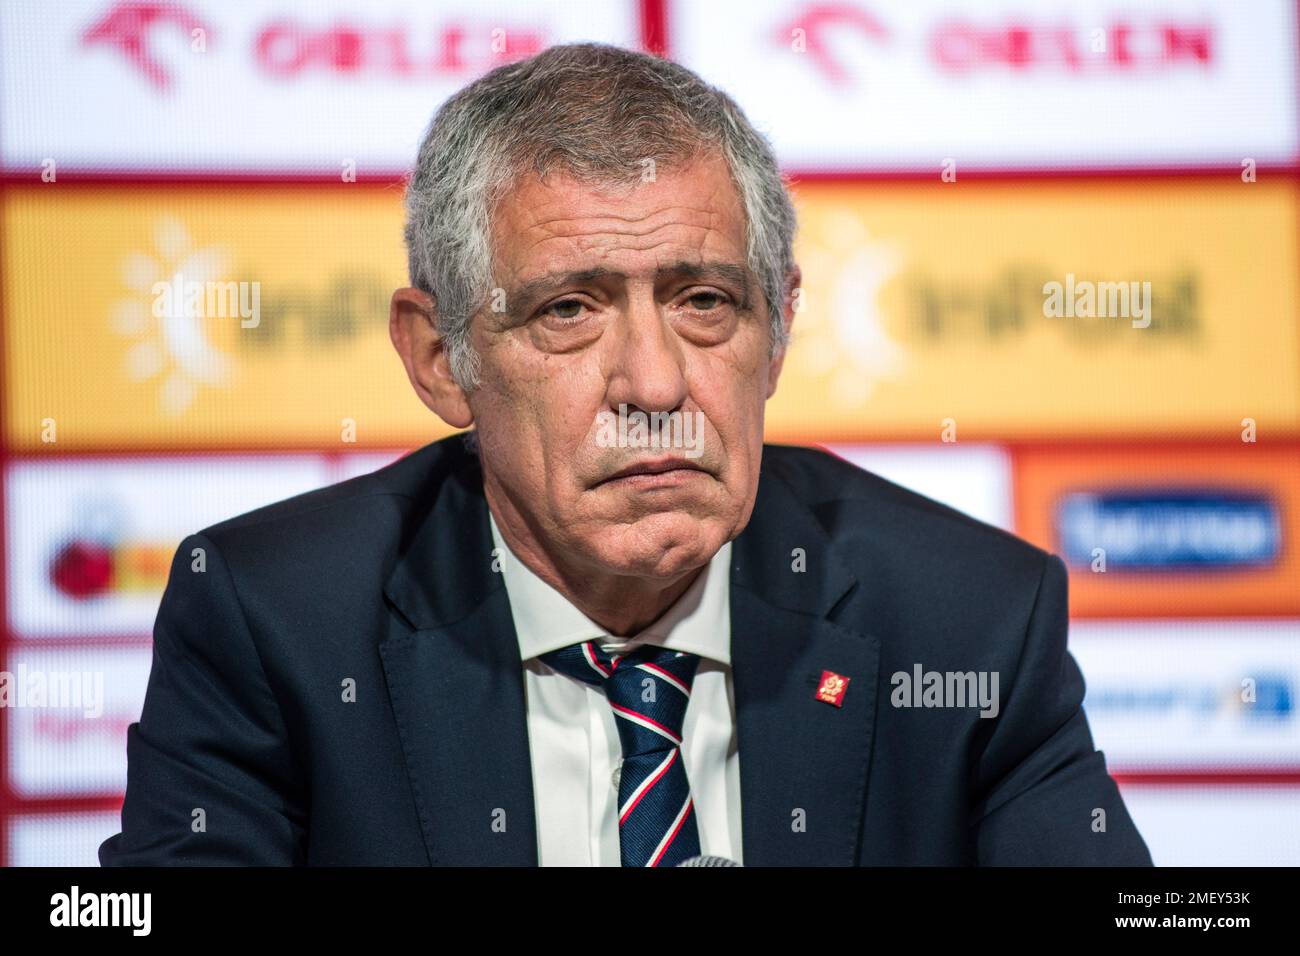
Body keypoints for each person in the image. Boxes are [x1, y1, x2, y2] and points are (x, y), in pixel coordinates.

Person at [100, 42, 1151, 866]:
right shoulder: (275, 618)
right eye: (569, 309)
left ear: (776, 329)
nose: (653, 384)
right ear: (438, 358)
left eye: (704, 301)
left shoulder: (967, 616)